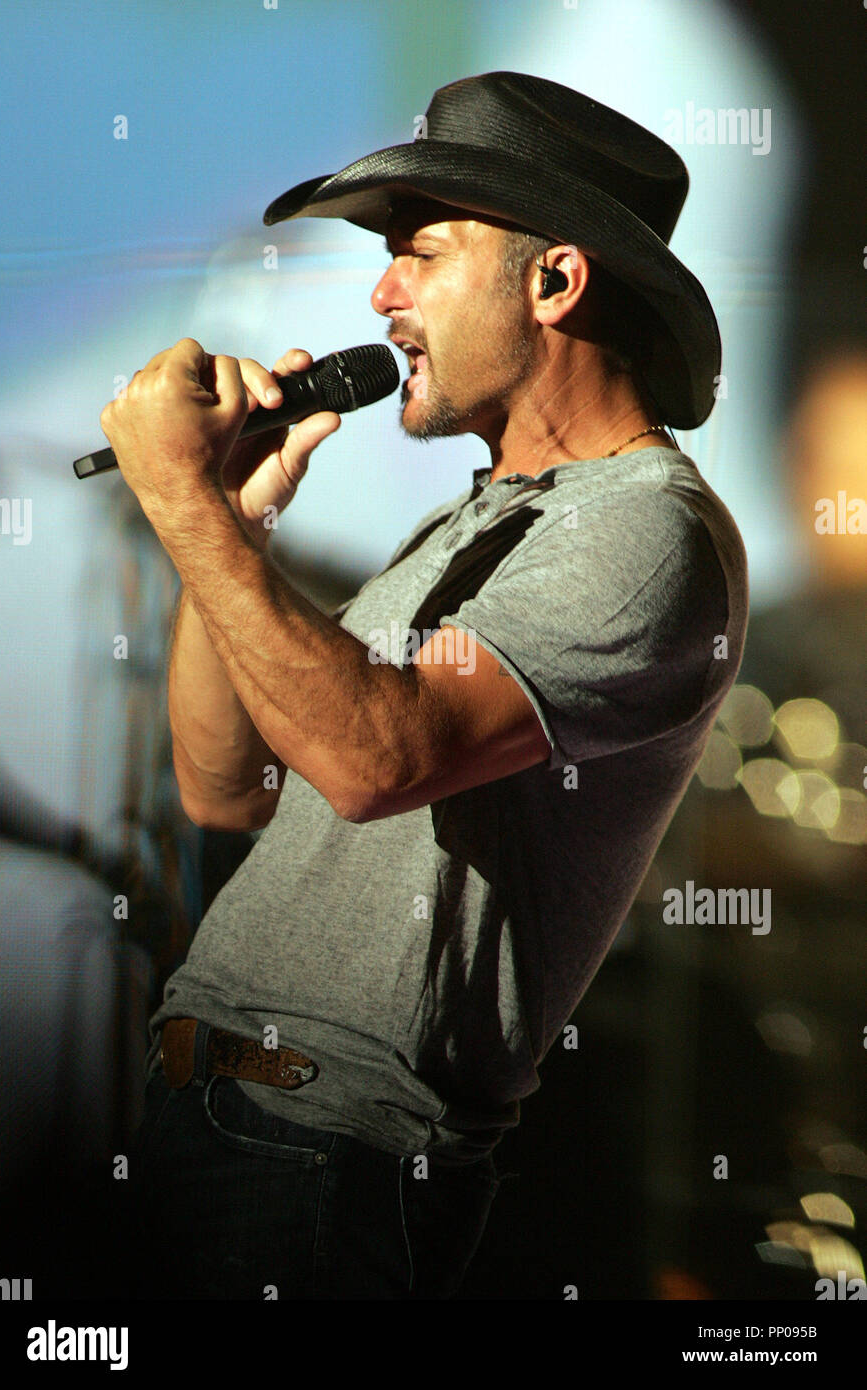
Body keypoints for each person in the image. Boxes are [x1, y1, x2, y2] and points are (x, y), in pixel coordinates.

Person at [101, 72, 748, 1299]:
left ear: (553, 282)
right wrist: (233, 520)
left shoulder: (641, 533)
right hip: (222, 1122)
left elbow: (371, 762)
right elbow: (226, 784)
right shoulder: (476, 525)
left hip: (321, 1156)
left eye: (420, 256)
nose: (381, 295)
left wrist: (180, 504)